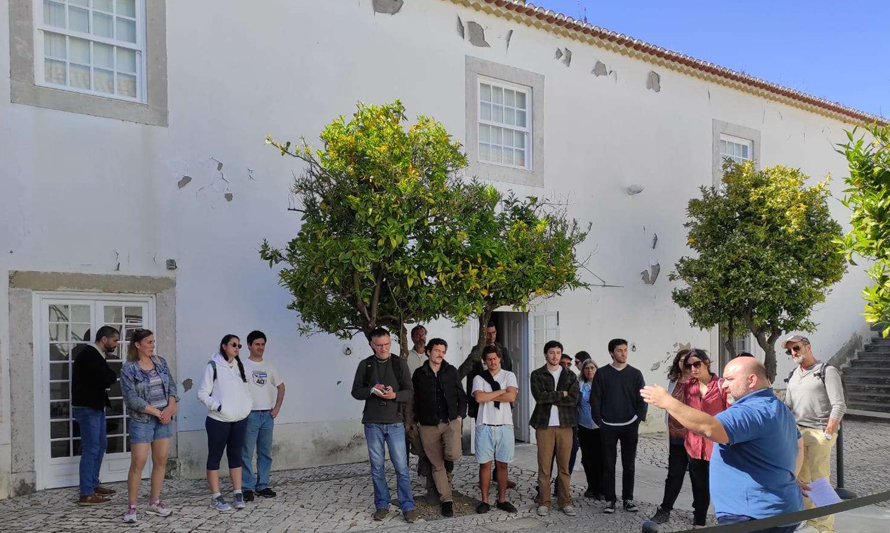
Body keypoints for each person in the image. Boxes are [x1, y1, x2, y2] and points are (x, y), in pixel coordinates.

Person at [641, 357, 805, 533]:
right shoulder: (777, 406)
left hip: (752, 517)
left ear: (752, 380)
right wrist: (788, 476)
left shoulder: (749, 410)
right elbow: (799, 444)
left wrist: (668, 402)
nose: (723, 385)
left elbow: (710, 428)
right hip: (781, 511)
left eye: (730, 379)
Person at [350, 328, 417, 523]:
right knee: (377, 467)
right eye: (379, 345)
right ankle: (381, 504)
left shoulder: (399, 363)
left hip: (395, 422)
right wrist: (372, 389)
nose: (383, 348)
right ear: (371, 344)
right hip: (372, 423)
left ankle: (407, 506)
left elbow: (410, 392)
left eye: (387, 344)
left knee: (402, 467)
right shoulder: (366, 365)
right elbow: (355, 392)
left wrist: (394, 395)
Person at [783, 334, 846, 533]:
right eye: (790, 350)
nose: (794, 353)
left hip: (819, 432)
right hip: (797, 433)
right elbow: (788, 405)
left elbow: (839, 404)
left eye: (797, 348)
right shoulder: (794, 374)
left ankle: (825, 526)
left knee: (820, 479)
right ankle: (809, 520)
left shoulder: (827, 371)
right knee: (801, 478)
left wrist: (828, 432)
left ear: (808, 347)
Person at [120, 329, 178, 523]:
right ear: (137, 345)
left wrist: (170, 407)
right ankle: (132, 506)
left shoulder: (160, 362)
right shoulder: (129, 368)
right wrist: (156, 412)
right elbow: (131, 399)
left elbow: (171, 386)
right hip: (142, 420)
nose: (153, 345)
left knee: (161, 460)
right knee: (138, 462)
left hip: (164, 419)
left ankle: (154, 502)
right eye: (149, 342)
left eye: (154, 341)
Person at [198, 334, 253, 512]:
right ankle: (216, 496)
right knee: (215, 457)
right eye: (233, 344)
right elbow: (202, 393)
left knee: (236, 456)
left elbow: (245, 390)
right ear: (224, 346)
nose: (237, 348)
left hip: (239, 420)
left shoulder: (239, 365)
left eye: (239, 345)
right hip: (218, 420)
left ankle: (238, 493)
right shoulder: (213, 366)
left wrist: (246, 407)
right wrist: (219, 407)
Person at [591, 338, 647, 513]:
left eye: (625, 350)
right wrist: (599, 421)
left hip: (629, 424)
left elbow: (642, 398)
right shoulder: (602, 374)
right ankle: (610, 500)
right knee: (608, 464)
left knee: (628, 464)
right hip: (607, 425)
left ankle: (628, 499)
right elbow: (595, 399)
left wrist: (638, 418)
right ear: (611, 353)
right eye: (619, 350)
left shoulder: (636, 374)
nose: (623, 353)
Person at [412, 338, 466, 517]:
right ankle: (446, 500)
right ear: (428, 352)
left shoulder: (451, 371)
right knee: (437, 465)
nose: (440, 354)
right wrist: (416, 420)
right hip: (428, 425)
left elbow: (461, 395)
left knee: (454, 454)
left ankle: (448, 458)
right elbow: (415, 399)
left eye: (443, 351)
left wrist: (459, 416)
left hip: (450, 421)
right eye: (437, 350)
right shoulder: (419, 374)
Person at [530, 340, 580, 517]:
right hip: (544, 425)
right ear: (546, 355)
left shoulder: (570, 376)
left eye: (558, 353)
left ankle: (565, 501)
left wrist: (552, 396)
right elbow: (539, 397)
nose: (555, 356)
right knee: (544, 467)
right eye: (552, 352)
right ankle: (544, 502)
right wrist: (562, 394)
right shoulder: (537, 374)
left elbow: (574, 399)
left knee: (564, 466)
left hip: (565, 425)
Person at [72, 326, 120, 505]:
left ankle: (93, 484)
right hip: (87, 408)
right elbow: (107, 377)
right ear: (104, 339)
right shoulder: (90, 355)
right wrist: (110, 375)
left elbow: (105, 377)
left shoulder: (95, 355)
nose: (116, 344)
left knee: (100, 446)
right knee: (91, 449)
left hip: (95, 407)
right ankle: (86, 493)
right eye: (114, 340)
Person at [681, 349, 729, 529]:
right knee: (699, 486)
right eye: (689, 365)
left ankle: (726, 520)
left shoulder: (721, 385)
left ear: (706, 363)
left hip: (716, 445)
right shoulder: (689, 386)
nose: (692, 369)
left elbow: (729, 412)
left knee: (720, 486)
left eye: (696, 364)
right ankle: (699, 522)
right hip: (694, 445)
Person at [472, 345, 519, 515]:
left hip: (504, 425)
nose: (492, 361)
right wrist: (500, 391)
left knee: (502, 464)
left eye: (495, 358)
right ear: (485, 361)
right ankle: (484, 500)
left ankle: (502, 499)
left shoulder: (509, 375)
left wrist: (489, 395)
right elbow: (479, 397)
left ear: (500, 358)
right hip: (484, 424)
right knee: (485, 464)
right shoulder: (479, 378)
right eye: (489, 359)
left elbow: (511, 396)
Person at [241, 330, 286, 502]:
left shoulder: (270, 366)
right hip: (249, 415)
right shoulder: (242, 365)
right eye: (257, 344)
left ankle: (262, 485)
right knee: (246, 452)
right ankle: (246, 487)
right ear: (249, 346)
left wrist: (276, 408)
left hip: (267, 415)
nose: (260, 347)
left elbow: (281, 386)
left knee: (265, 452)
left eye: (263, 344)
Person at [651, 348, 694, 524]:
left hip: (695, 437)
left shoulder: (699, 381)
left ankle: (699, 512)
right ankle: (665, 509)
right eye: (681, 359)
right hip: (676, 437)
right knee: (674, 474)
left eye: (688, 360)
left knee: (699, 477)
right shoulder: (674, 380)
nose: (684, 363)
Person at [577, 359, 604, 499]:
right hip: (584, 426)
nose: (589, 370)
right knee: (587, 458)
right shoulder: (580, 385)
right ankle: (591, 486)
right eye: (587, 368)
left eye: (592, 367)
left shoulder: (601, 385)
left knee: (600, 458)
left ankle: (601, 488)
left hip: (599, 427)